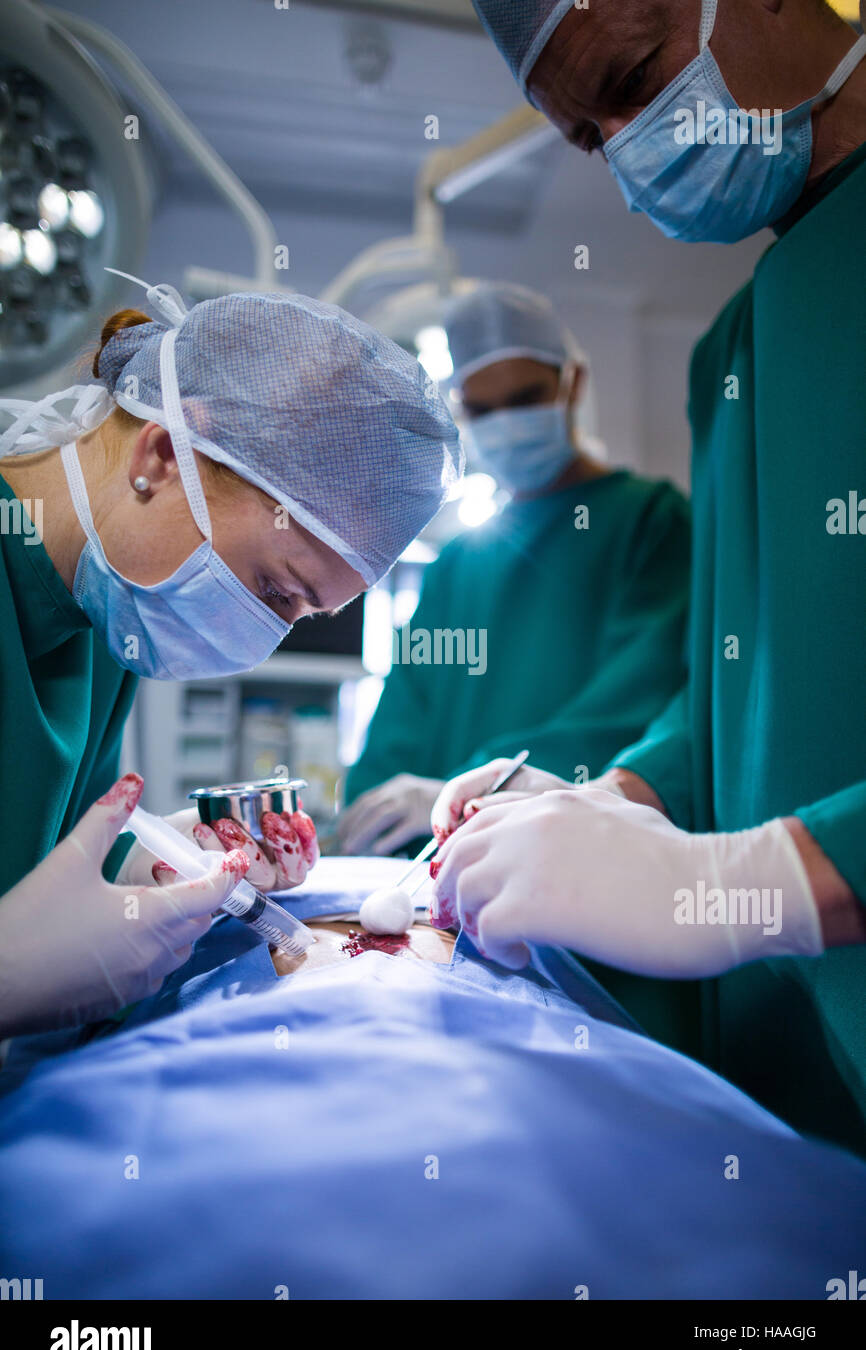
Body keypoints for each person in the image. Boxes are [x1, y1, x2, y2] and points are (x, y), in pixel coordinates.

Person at [431, 0, 866, 1157]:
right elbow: (742, 674)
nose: (629, 148)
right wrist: (618, 794)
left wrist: (771, 880)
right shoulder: (731, 349)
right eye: (586, 136)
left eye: (630, 77)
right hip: (789, 1065)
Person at [0, 275, 460, 1035]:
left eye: (303, 614)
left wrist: (148, 864)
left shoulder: (103, 617)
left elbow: (36, 868)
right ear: (158, 457)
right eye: (274, 587)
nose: (263, 635)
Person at [339, 283, 690, 867]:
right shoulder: (457, 564)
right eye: (482, 409)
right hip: (439, 866)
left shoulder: (652, 522)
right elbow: (404, 715)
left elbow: (641, 701)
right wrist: (368, 814)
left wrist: (485, 789)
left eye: (526, 397)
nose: (505, 423)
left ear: (572, 383)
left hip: (582, 862)